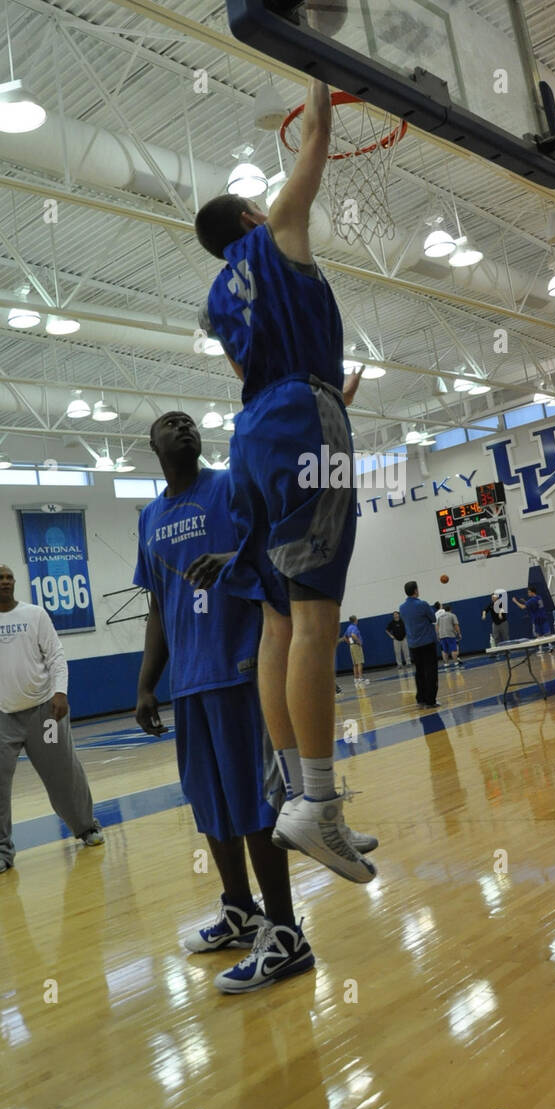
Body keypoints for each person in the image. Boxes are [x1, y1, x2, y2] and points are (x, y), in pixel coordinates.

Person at [189, 77, 374, 885]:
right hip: (304, 419)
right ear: (251, 220)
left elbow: (251, 373)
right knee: (315, 616)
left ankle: (300, 793)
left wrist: (324, 392)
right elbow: (317, 143)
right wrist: (313, 76)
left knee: (274, 622)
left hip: (257, 433)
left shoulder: (214, 297)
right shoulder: (276, 234)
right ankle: (320, 804)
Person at [134, 413, 373, 992]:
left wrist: (232, 562)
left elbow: (274, 556)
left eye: (189, 422)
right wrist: (146, 682)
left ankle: (286, 932)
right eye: (171, 424)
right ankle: (240, 911)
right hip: (188, 683)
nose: (184, 427)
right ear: (153, 446)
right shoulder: (148, 516)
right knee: (212, 807)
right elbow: (158, 607)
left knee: (257, 808)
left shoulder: (229, 487)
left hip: (243, 668)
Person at [0, 564, 104, 876]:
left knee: (63, 774)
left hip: (44, 714)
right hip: (0, 717)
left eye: (9, 577)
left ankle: (86, 827)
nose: (5, 582)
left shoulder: (35, 615)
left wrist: (60, 692)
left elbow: (56, 657)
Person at [399, 580, 439, 708]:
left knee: (419, 671)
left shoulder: (402, 608)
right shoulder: (423, 604)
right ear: (416, 590)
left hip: (413, 644)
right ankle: (430, 700)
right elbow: (433, 618)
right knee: (430, 671)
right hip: (426, 642)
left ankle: (420, 699)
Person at [341, 616, 369, 689]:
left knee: (355, 663)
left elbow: (345, 637)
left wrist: (349, 643)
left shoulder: (349, 627)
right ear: (355, 620)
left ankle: (356, 679)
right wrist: (358, 642)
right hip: (356, 646)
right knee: (359, 662)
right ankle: (360, 678)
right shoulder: (354, 627)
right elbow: (353, 635)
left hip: (352, 646)